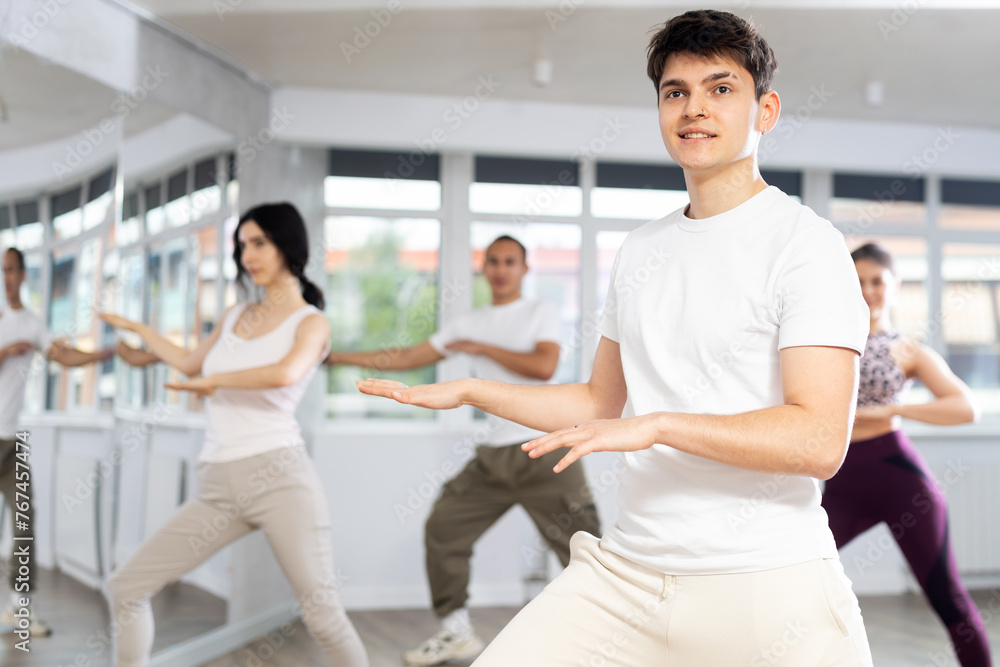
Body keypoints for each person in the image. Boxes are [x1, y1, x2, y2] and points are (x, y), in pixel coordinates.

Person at [359, 9, 875, 665]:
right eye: (675, 92)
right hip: (629, 573)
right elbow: (600, 402)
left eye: (721, 89)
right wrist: (470, 389)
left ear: (764, 110)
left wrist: (659, 424)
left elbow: (818, 439)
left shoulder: (806, 246)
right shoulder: (642, 249)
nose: (695, 108)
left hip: (768, 582)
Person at [100, 203, 368, 667]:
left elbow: (286, 372)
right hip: (219, 484)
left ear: (288, 245)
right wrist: (141, 329)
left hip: (280, 478)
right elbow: (189, 363)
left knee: (322, 617)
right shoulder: (234, 314)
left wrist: (216, 382)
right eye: (242, 245)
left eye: (259, 242)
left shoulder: (311, 322)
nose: (248, 254)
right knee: (126, 586)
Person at [327, 235, 600, 666]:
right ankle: (456, 632)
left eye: (510, 261)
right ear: (484, 268)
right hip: (493, 456)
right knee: (444, 527)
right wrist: (340, 358)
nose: (501, 269)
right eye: (493, 261)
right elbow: (409, 356)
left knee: (587, 547)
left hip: (546, 449)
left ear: (524, 269)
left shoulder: (538, 312)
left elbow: (543, 365)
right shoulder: (468, 323)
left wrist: (481, 347)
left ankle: (610, 636)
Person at [822, 242, 990, 666]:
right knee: (799, 568)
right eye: (859, 281)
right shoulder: (827, 343)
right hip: (842, 479)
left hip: (900, 480)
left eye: (877, 281)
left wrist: (893, 409)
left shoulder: (906, 350)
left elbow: (966, 407)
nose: (869, 290)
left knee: (946, 596)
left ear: (893, 285)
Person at [0, 247, 113, 638]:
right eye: (2, 270)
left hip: (12, 441)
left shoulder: (32, 323)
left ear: (23, 275)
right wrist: (5, 351)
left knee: (25, 521)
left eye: (12, 270)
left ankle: (19, 609)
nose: (6, 277)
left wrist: (98, 354)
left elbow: (61, 355)